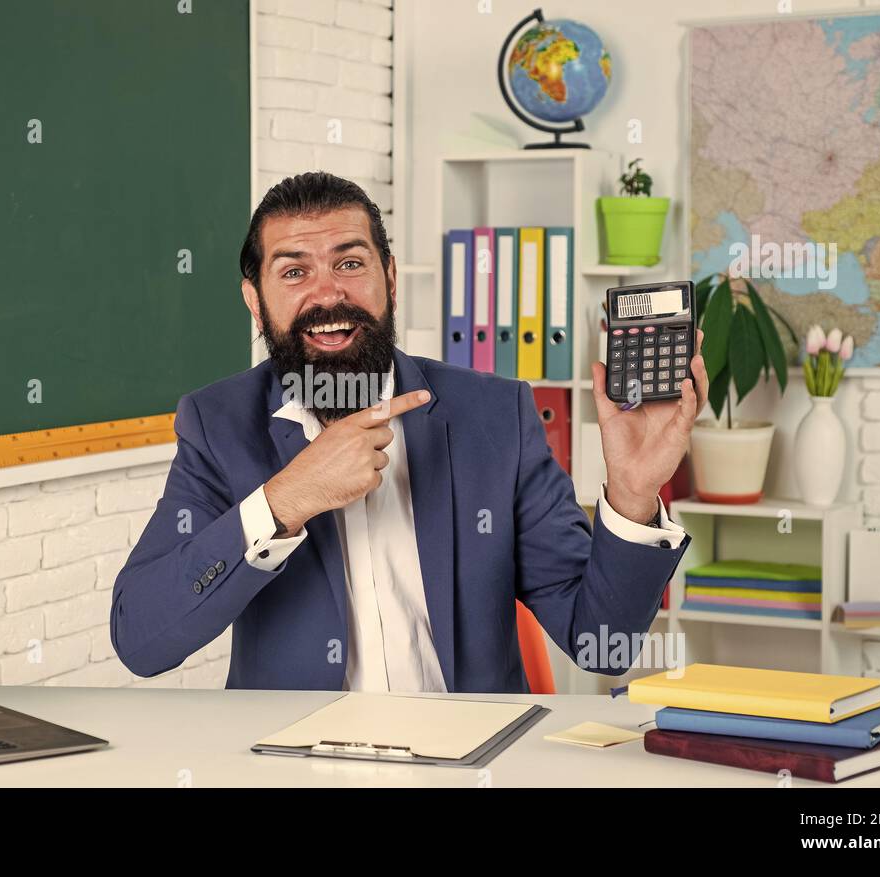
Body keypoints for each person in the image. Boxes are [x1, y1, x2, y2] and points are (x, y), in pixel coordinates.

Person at [111, 171, 707, 692]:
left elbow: (601, 643)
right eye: (294, 271)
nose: (328, 294)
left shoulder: (495, 416)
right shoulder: (218, 425)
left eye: (350, 263)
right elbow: (142, 641)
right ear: (255, 300)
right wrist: (287, 499)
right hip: (295, 768)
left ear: (390, 277)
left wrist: (631, 493)